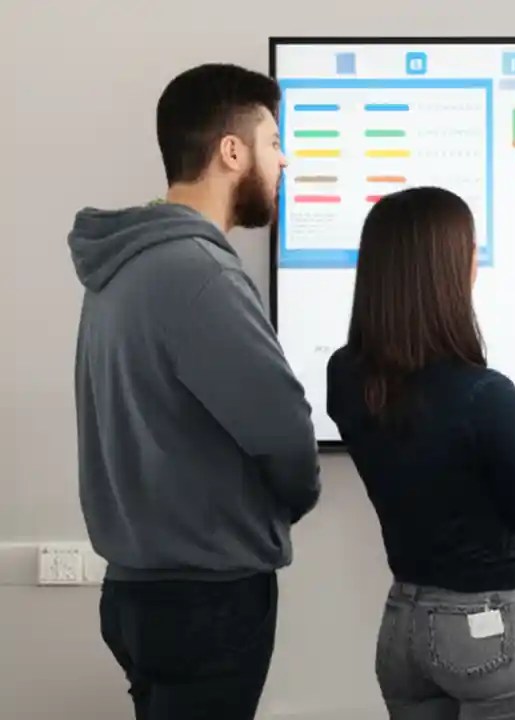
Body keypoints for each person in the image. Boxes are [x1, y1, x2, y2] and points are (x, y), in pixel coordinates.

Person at [67, 63, 320, 719]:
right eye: (272, 142)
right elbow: (283, 430)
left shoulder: (119, 267)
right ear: (231, 152)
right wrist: (295, 497)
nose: (284, 159)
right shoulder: (200, 272)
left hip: (136, 592)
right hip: (205, 598)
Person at [326, 186, 515, 720]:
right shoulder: (484, 393)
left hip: (403, 626)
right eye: (472, 250)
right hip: (489, 632)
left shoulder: (346, 375)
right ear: (448, 270)